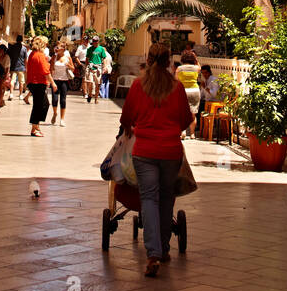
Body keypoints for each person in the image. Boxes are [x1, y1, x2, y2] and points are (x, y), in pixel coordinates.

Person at [120, 41, 193, 276]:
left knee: (149, 199)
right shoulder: (176, 87)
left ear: (149, 60)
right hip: (170, 152)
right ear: (169, 62)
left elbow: (126, 117)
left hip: (145, 152)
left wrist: (133, 127)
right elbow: (185, 120)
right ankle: (162, 248)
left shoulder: (139, 86)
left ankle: (152, 254)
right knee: (166, 199)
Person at [27, 34, 55, 137]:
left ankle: (36, 126)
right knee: (41, 105)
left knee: (41, 104)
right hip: (38, 82)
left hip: (32, 82)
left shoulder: (32, 54)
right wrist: (53, 83)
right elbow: (45, 71)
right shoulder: (40, 55)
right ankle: (35, 128)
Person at [175, 49, 202, 138]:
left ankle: (183, 132)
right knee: (193, 113)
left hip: (183, 91)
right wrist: (195, 58)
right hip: (194, 91)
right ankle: (192, 134)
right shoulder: (196, 68)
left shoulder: (179, 69)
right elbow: (199, 66)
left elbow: (176, 81)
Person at [51, 43, 74, 126]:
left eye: (59, 47)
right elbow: (50, 69)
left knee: (63, 100)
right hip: (55, 80)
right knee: (54, 99)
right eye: (57, 47)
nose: (57, 48)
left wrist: (68, 65)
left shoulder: (67, 58)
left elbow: (73, 68)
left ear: (63, 49)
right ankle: (55, 113)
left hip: (64, 80)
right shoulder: (54, 57)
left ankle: (62, 119)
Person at [84, 37, 104, 103]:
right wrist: (86, 66)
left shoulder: (101, 49)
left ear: (98, 41)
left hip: (98, 68)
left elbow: (104, 58)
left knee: (97, 84)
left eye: (96, 41)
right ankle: (90, 94)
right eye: (94, 41)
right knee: (90, 83)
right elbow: (87, 58)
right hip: (91, 67)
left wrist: (103, 67)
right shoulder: (89, 49)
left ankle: (96, 98)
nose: (95, 42)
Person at [9, 34, 27, 102]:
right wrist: (26, 67)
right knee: (21, 82)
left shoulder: (12, 47)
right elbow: (25, 59)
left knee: (12, 81)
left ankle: (11, 94)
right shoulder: (24, 48)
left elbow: (10, 56)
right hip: (21, 67)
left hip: (13, 67)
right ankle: (20, 95)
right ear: (22, 40)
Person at [0, 44, 11, 110]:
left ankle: (0, 101)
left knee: (0, 88)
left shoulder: (7, 57)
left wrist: (5, 76)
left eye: (0, 49)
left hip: (3, 74)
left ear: (3, 50)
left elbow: (7, 68)